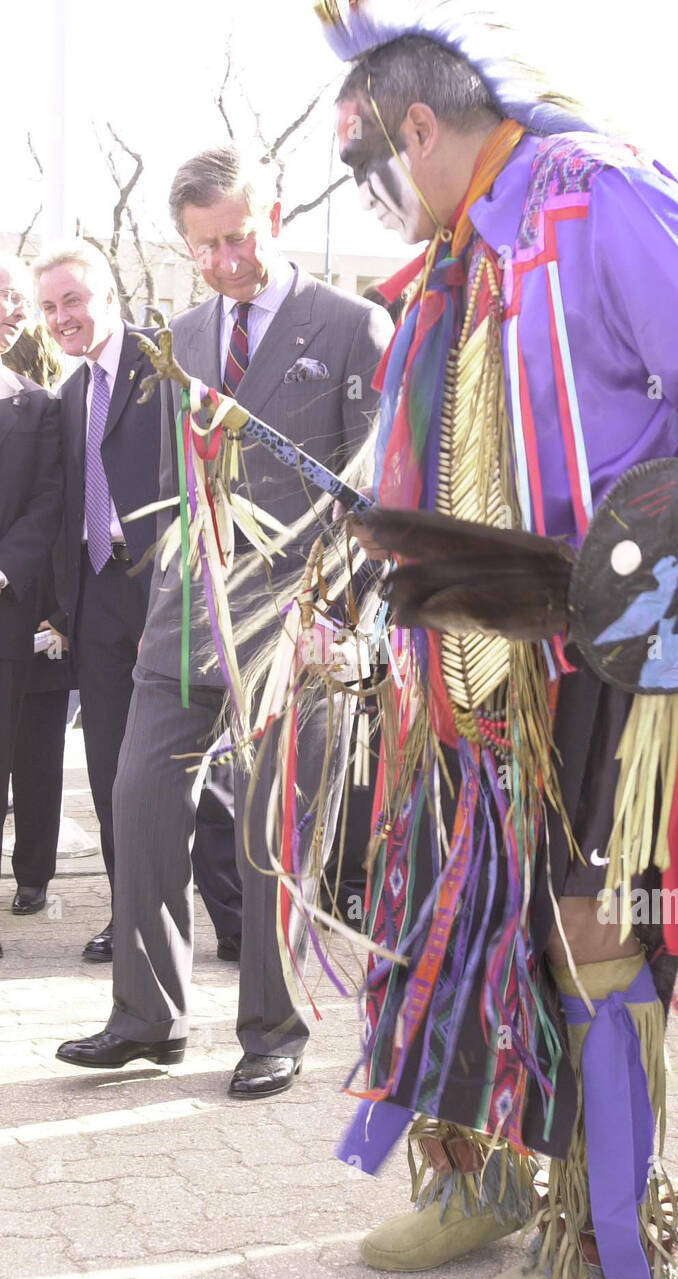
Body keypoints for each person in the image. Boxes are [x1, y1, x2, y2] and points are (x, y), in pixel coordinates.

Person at [310, 1, 678, 1279]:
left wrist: (655, 544)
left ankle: (607, 1243)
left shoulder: (593, 193)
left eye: (369, 163)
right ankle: (475, 1178)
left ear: (421, 127)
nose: (367, 198)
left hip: (595, 654)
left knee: (590, 933)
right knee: (453, 923)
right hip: (456, 668)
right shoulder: (453, 260)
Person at [55, 145, 394, 1096]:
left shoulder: (355, 325)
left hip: (300, 627)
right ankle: (146, 1018)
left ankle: (272, 1027)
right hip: (186, 620)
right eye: (205, 248)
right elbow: (175, 485)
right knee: (137, 800)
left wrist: (347, 618)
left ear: (273, 214)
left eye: (239, 237)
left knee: (271, 828)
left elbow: (375, 496)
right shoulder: (188, 335)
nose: (227, 263)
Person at [35, 243, 242, 962]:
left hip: (172, 592)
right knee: (110, 772)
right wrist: (65, 606)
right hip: (99, 600)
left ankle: (235, 917)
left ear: (108, 297)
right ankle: (131, 917)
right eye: (51, 307)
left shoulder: (167, 362)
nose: (63, 317)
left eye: (74, 300)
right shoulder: (68, 395)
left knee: (194, 762)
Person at [0, 255, 63, 949]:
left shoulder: (35, 406)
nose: (15, 310)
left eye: (19, 298)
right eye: (5, 297)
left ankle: (31, 874)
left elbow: (48, 500)